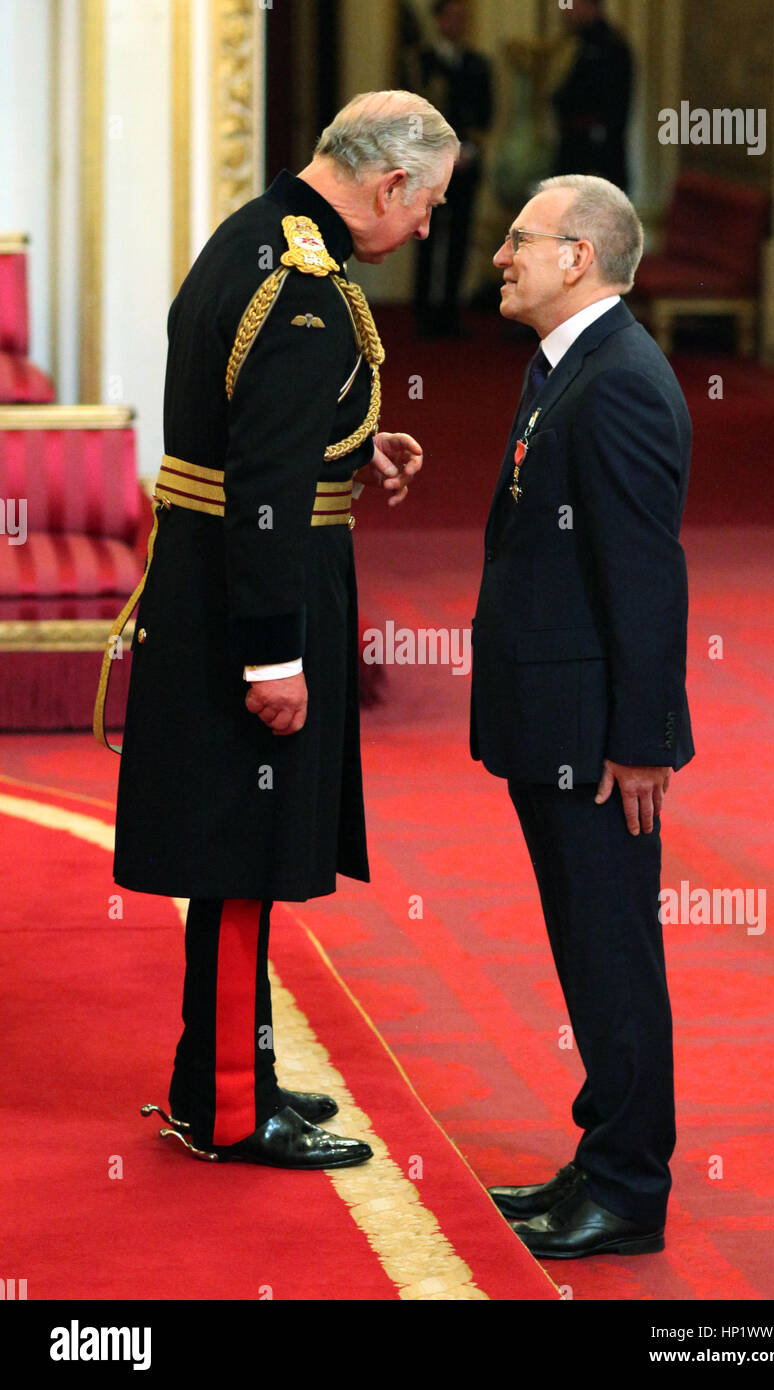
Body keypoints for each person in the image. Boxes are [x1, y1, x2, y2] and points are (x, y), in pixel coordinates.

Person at [98, 91, 458, 1170]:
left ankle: (229, 1068)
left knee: (238, 857)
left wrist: (347, 445)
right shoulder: (304, 285)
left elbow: (254, 425)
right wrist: (275, 654)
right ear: (389, 183)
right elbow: (259, 479)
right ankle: (226, 1107)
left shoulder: (265, 233)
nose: (428, 228)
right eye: (429, 204)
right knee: (243, 858)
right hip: (244, 601)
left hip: (212, 577)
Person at [471, 174, 694, 1256]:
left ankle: (628, 1187)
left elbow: (647, 576)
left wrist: (640, 744)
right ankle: (599, 1157)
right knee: (587, 945)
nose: (500, 254)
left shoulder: (621, 385)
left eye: (521, 239)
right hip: (555, 719)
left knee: (611, 951)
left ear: (579, 259)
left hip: (600, 744)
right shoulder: (567, 363)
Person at [413, 0, 493, 336]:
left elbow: (485, 115)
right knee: (425, 236)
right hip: (428, 166)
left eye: (463, 17)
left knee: (459, 238)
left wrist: (467, 151)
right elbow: (410, 114)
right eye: (451, 16)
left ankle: (449, 314)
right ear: (437, 19)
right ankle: (423, 315)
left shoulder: (478, 64)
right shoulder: (419, 61)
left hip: (465, 165)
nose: (457, 23)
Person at [553, 0, 633, 191]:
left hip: (597, 156)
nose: (565, 10)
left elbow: (614, 108)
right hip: (572, 150)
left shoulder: (612, 47)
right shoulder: (573, 44)